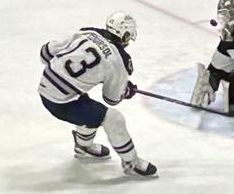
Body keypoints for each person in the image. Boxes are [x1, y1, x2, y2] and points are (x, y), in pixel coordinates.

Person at [38, 11, 157, 177]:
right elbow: (111, 98)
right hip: (61, 103)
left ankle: (83, 146)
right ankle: (131, 163)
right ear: (125, 34)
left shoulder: (87, 32)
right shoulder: (119, 61)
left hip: (46, 88)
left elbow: (45, 53)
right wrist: (124, 89)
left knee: (92, 111)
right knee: (113, 119)